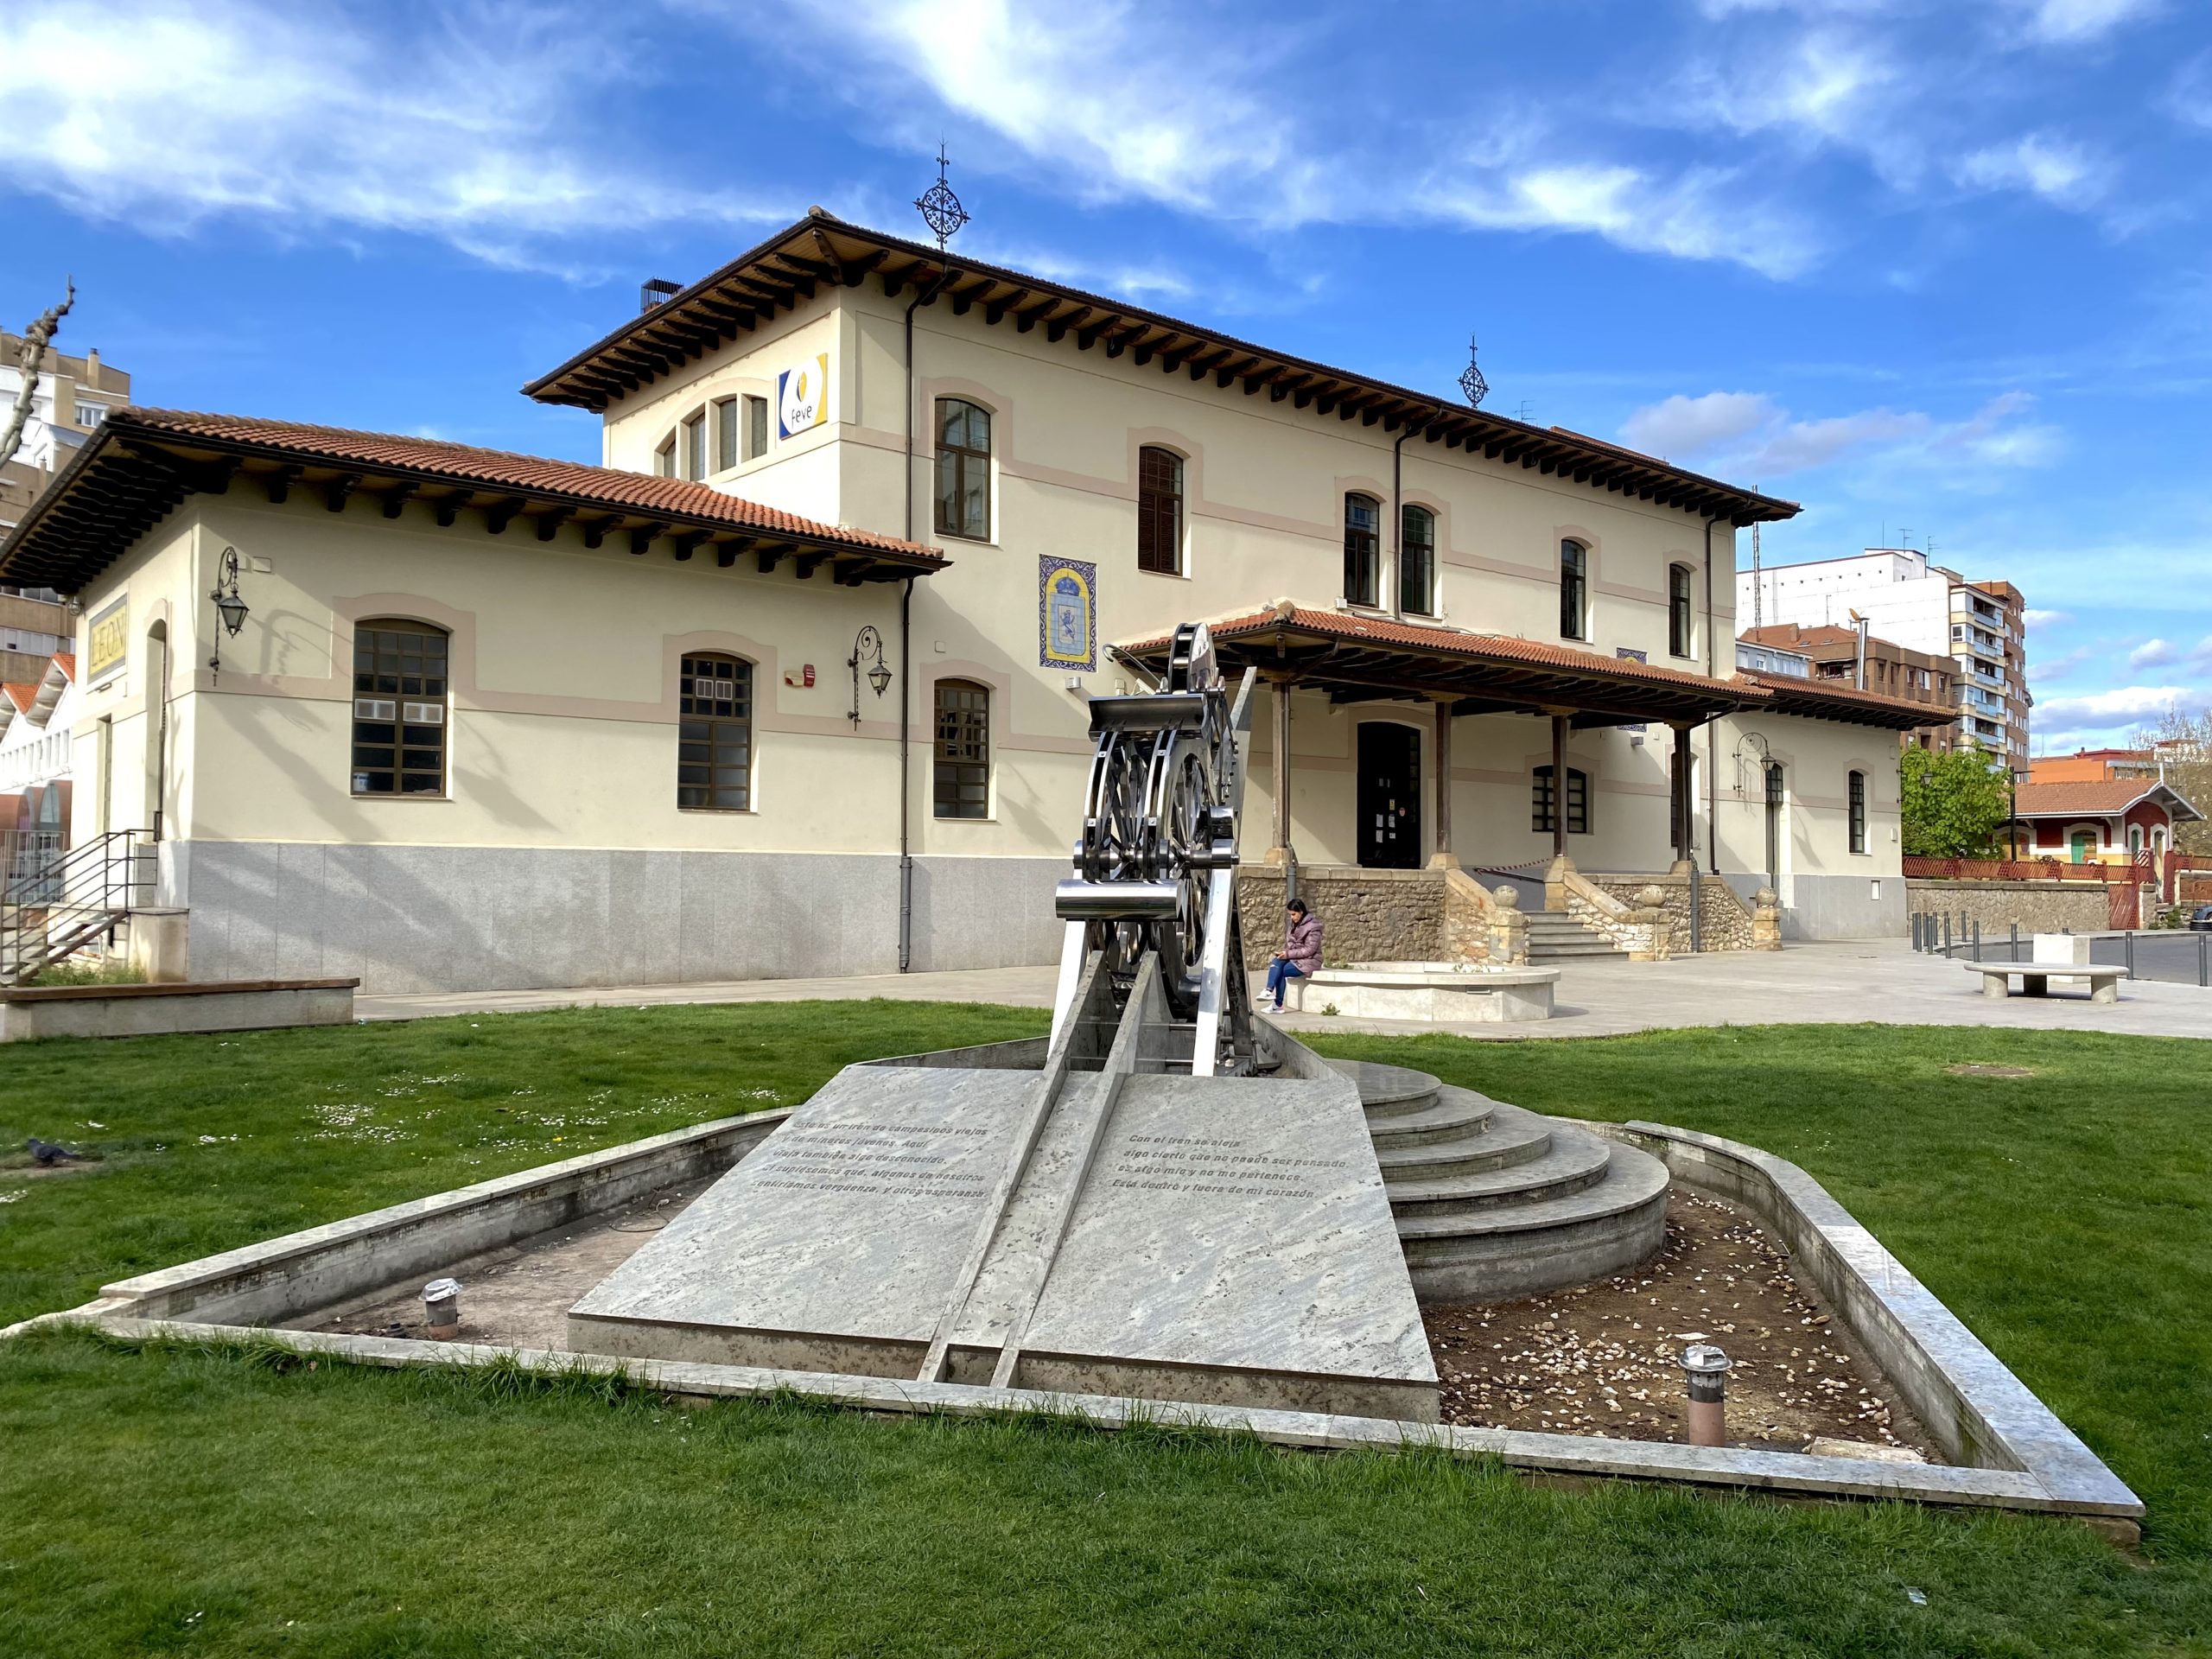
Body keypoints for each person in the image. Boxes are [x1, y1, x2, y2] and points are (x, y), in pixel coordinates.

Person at [1266, 897, 1323, 1012]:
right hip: (1296, 958)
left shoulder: (1314, 927)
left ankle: (1276, 1003)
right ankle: (1268, 991)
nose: (1292, 917)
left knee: (1280, 971)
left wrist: (1287, 954)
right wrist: (1284, 953)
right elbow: (1291, 945)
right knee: (1277, 961)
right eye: (1290, 915)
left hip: (1310, 961)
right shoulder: (1294, 924)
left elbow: (1309, 950)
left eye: (1293, 914)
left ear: (1301, 912)